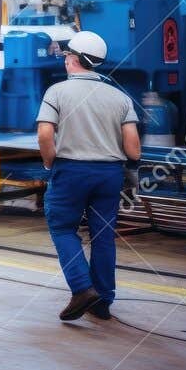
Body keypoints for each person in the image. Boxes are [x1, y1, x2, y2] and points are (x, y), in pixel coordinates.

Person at [36, 31, 141, 322]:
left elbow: (45, 134)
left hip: (71, 171)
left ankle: (82, 289)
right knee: (103, 236)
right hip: (109, 174)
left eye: (67, 55)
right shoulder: (120, 97)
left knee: (63, 228)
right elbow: (133, 147)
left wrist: (49, 163)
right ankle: (103, 301)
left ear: (73, 59)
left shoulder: (56, 92)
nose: (65, 59)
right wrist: (130, 173)